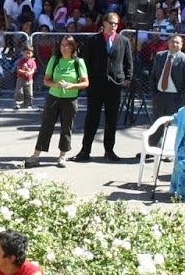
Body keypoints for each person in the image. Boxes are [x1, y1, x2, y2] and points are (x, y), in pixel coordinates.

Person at [74, 13, 134, 163]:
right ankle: (85, 150)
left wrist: (127, 79)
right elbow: (86, 62)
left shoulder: (123, 41)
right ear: (104, 23)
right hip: (96, 84)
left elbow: (128, 62)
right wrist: (86, 79)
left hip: (114, 85)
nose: (114, 26)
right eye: (111, 23)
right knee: (91, 118)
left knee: (111, 120)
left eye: (116, 23)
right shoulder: (93, 40)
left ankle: (109, 150)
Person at [28, 35, 88, 168]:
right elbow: (46, 80)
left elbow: (85, 83)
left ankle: (62, 156)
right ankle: (36, 156)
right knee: (46, 125)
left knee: (66, 127)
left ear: (73, 47)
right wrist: (56, 84)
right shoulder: (54, 60)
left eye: (67, 45)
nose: (64, 48)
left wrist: (72, 86)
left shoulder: (79, 62)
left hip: (70, 99)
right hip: (53, 97)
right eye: (62, 45)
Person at [151, 32, 185, 121]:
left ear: (182, 45)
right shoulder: (160, 56)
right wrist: (154, 94)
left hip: (176, 98)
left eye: (177, 42)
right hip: (160, 96)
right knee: (156, 127)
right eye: (172, 42)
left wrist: (183, 99)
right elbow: (153, 76)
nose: (174, 44)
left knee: (172, 127)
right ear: (168, 43)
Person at [12, 42, 37, 110]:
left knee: (29, 92)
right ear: (23, 53)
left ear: (32, 54)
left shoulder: (32, 62)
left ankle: (28, 104)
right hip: (21, 79)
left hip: (29, 80)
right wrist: (24, 72)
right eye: (26, 53)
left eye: (29, 53)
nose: (28, 55)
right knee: (19, 91)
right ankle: (18, 103)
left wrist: (30, 73)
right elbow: (18, 70)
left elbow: (33, 70)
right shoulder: (21, 61)